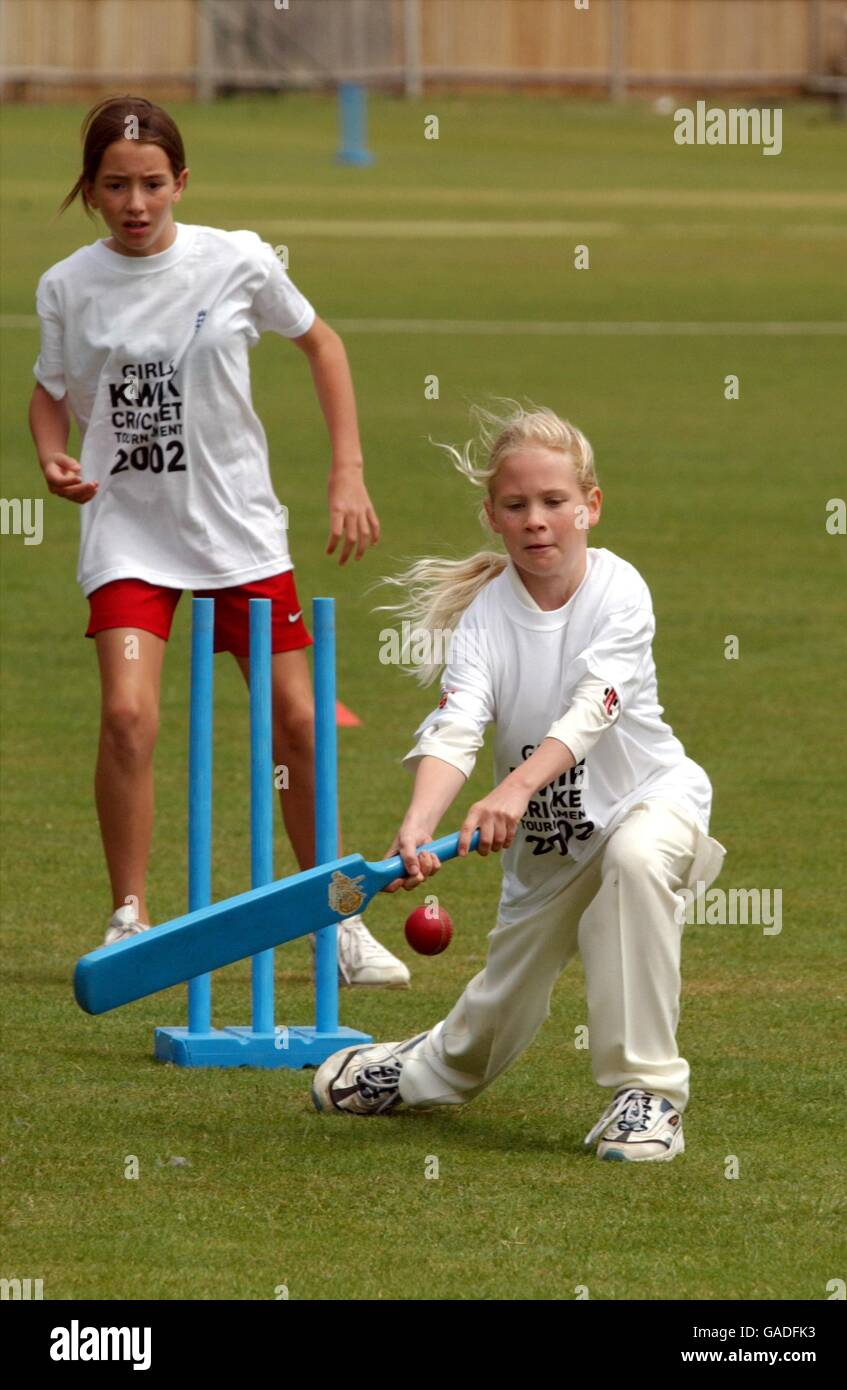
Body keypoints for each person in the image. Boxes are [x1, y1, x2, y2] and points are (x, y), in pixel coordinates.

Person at [28, 94, 409, 987]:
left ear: (182, 182)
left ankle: (335, 917)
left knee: (301, 720)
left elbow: (324, 345)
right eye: (116, 186)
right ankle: (129, 917)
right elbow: (49, 391)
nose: (136, 204)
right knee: (127, 718)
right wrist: (52, 455)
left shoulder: (237, 259)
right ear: (89, 190)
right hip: (128, 532)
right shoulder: (67, 286)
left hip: (238, 529)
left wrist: (345, 472)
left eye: (153, 184)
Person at [313, 402, 726, 1158]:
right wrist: (417, 821)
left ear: (590, 508)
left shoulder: (620, 590)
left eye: (554, 502)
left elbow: (596, 706)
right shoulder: (483, 619)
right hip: (553, 841)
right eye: (517, 506)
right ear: (493, 517)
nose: (537, 520)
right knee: (494, 1014)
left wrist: (514, 788)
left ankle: (648, 1099)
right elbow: (457, 726)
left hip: (650, 798)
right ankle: (413, 1071)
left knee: (635, 866)